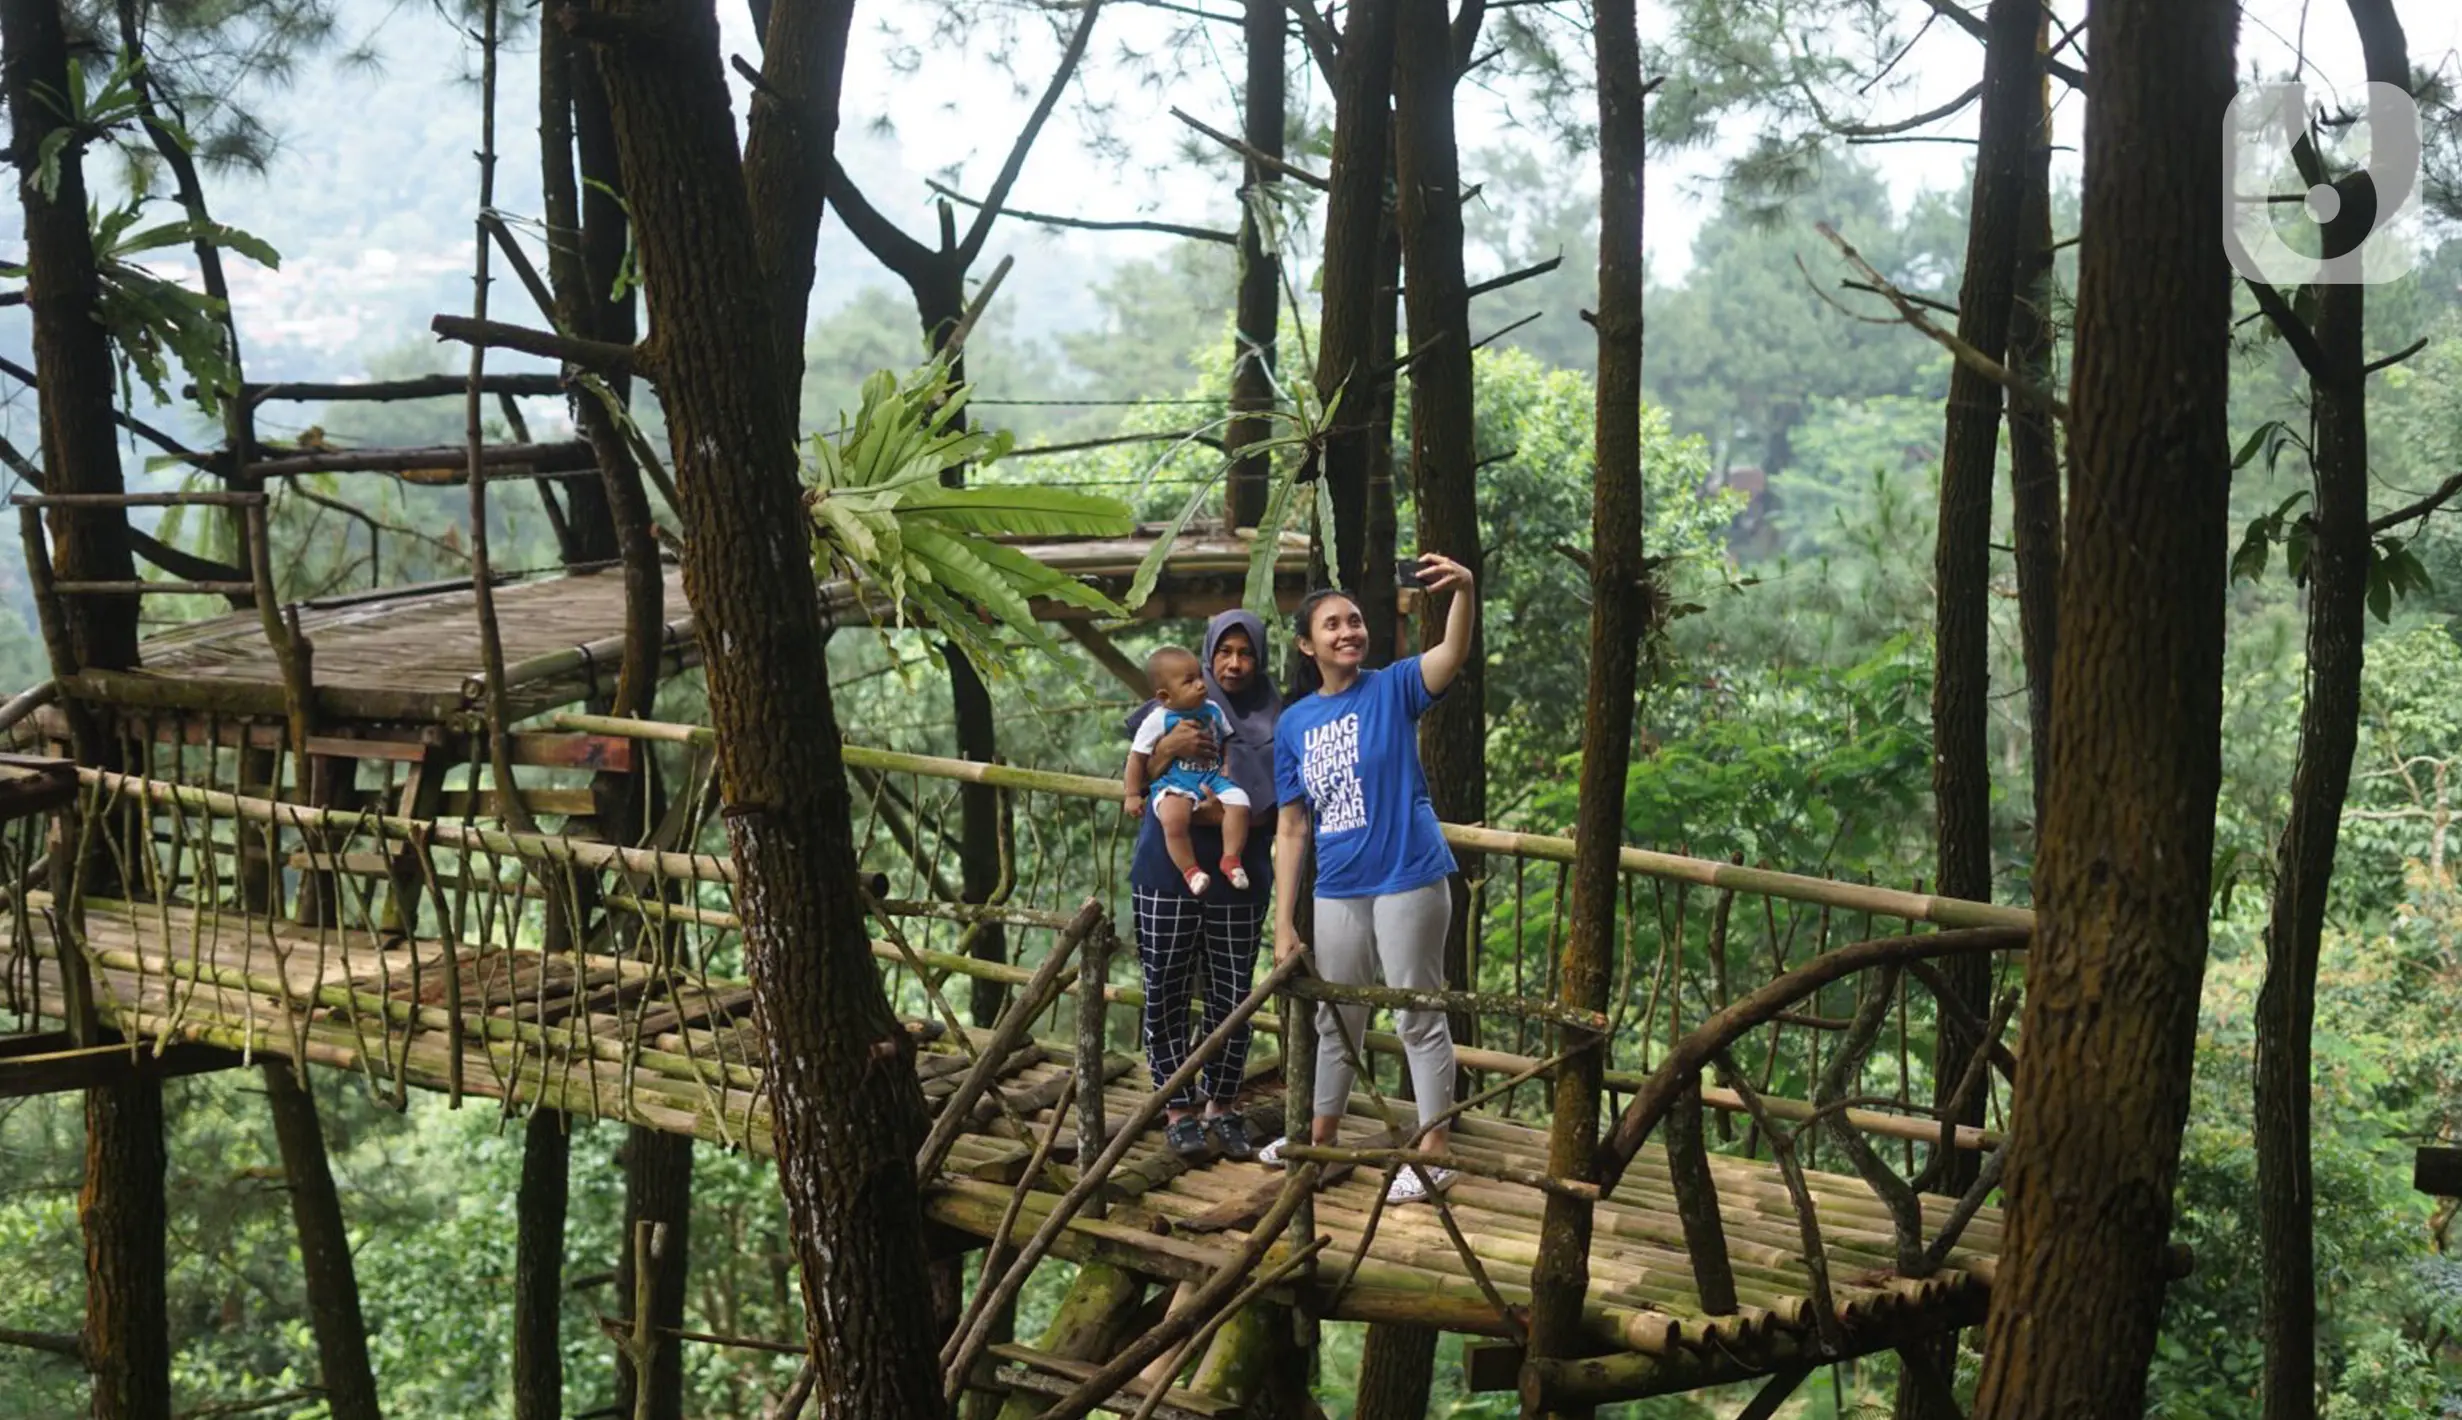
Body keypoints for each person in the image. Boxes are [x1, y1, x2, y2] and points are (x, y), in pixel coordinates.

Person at [1257, 555, 1476, 1203]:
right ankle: (1320, 1139)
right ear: (1307, 644)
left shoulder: (1393, 686)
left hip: (1408, 872)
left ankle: (1435, 1151)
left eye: (1354, 621)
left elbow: (1452, 653)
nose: (1348, 631)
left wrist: (1465, 590)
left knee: (1417, 1012)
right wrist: (1283, 921)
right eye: (1332, 624)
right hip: (1338, 885)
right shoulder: (1294, 723)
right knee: (1338, 1016)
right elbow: (1291, 827)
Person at [1123, 611, 1281, 1161]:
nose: (1234, 663)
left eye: (1246, 652)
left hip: (1239, 877)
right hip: (1165, 875)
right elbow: (1134, 778)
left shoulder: (1278, 716)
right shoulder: (1170, 708)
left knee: (1231, 995)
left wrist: (1222, 816)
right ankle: (1176, 1105)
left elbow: (1286, 803)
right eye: (1224, 652)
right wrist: (1168, 752)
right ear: (1209, 655)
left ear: (1260, 658)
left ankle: (1223, 1103)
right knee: (1165, 986)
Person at [1123, 646, 1253, 896]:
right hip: (1176, 782)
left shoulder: (1213, 709)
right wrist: (1132, 794)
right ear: (1165, 696)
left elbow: (1228, 740)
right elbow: (1136, 757)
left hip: (1212, 777)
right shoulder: (1158, 719)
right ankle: (1191, 870)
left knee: (1240, 804)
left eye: (1200, 676)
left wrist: (1228, 764)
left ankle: (1231, 859)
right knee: (1173, 818)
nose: (1201, 685)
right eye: (1189, 681)